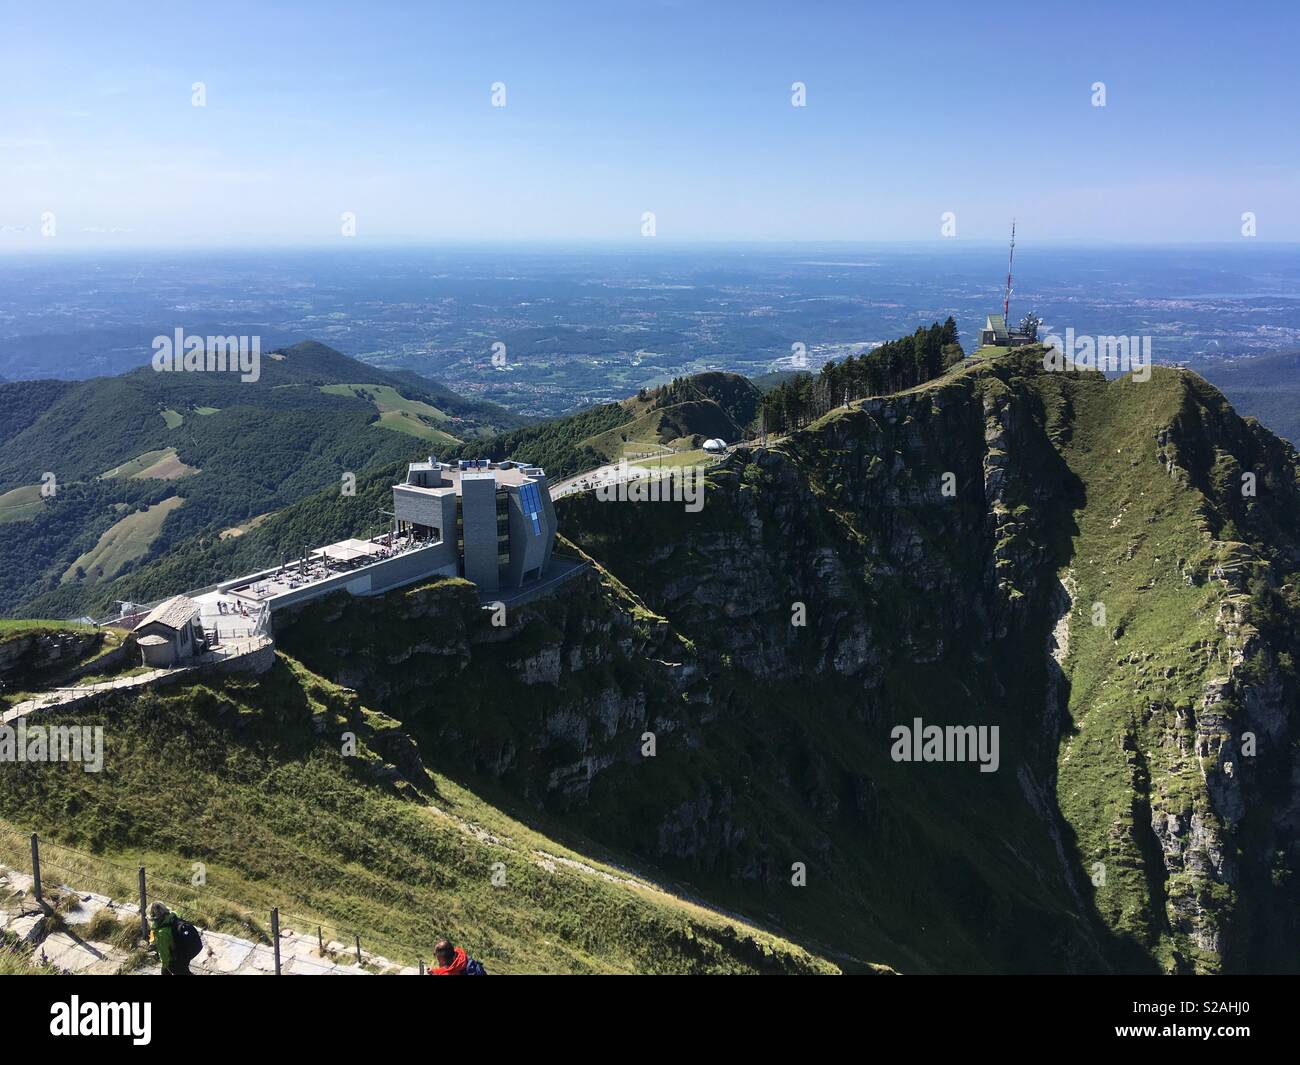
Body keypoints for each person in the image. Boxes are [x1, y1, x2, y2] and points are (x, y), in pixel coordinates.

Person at [149, 902, 201, 975]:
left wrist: (165, 964)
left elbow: (164, 954)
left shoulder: (161, 932)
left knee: (175, 969)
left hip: (179, 954)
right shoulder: (173, 917)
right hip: (192, 947)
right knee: (170, 970)